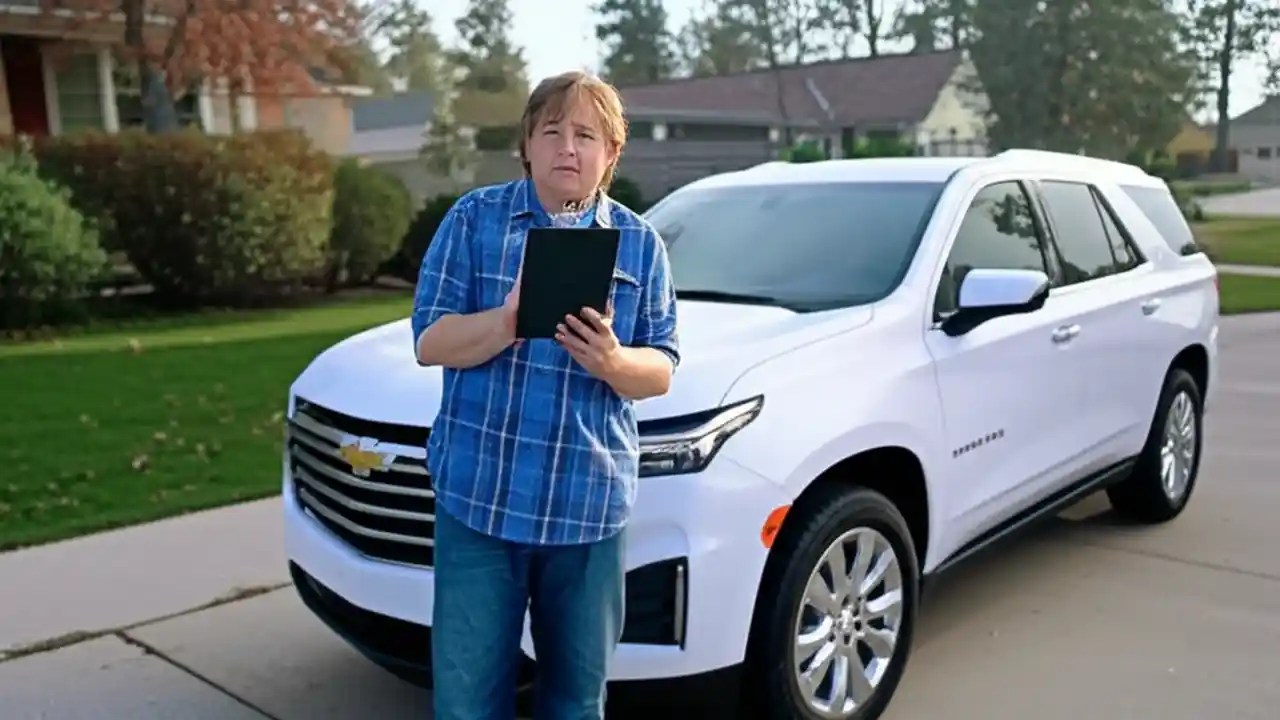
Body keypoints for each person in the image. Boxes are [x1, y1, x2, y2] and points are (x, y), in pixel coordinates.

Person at [410, 70, 680, 720]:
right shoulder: (474, 221)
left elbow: (663, 366)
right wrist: (507, 321)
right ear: (526, 144)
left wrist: (614, 359)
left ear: (610, 155)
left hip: (587, 511)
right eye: (552, 130)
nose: (567, 146)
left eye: (586, 134)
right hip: (480, 503)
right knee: (468, 703)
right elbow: (429, 340)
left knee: (576, 702)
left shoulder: (640, 244)